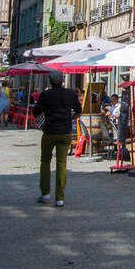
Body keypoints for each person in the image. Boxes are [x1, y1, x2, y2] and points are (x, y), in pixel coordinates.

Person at [32, 74, 80, 207]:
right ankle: (60, 198)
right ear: (62, 81)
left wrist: (44, 111)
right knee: (61, 164)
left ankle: (45, 194)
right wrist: (69, 117)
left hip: (49, 131)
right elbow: (79, 110)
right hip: (65, 132)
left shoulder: (45, 95)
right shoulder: (70, 94)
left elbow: (35, 112)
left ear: (50, 81)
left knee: (45, 161)